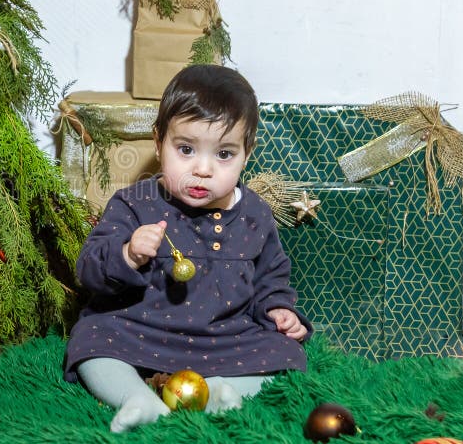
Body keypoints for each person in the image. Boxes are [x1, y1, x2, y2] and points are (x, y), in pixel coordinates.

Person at [63, 64, 311, 433]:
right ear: (158, 140)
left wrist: (277, 308)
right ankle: (136, 398)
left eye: (224, 154)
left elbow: (270, 274)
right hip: (138, 330)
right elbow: (90, 269)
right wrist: (128, 254)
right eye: (185, 149)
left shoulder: (255, 213)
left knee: (287, 354)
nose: (203, 169)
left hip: (226, 337)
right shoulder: (134, 203)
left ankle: (217, 392)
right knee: (91, 339)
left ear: (248, 152)